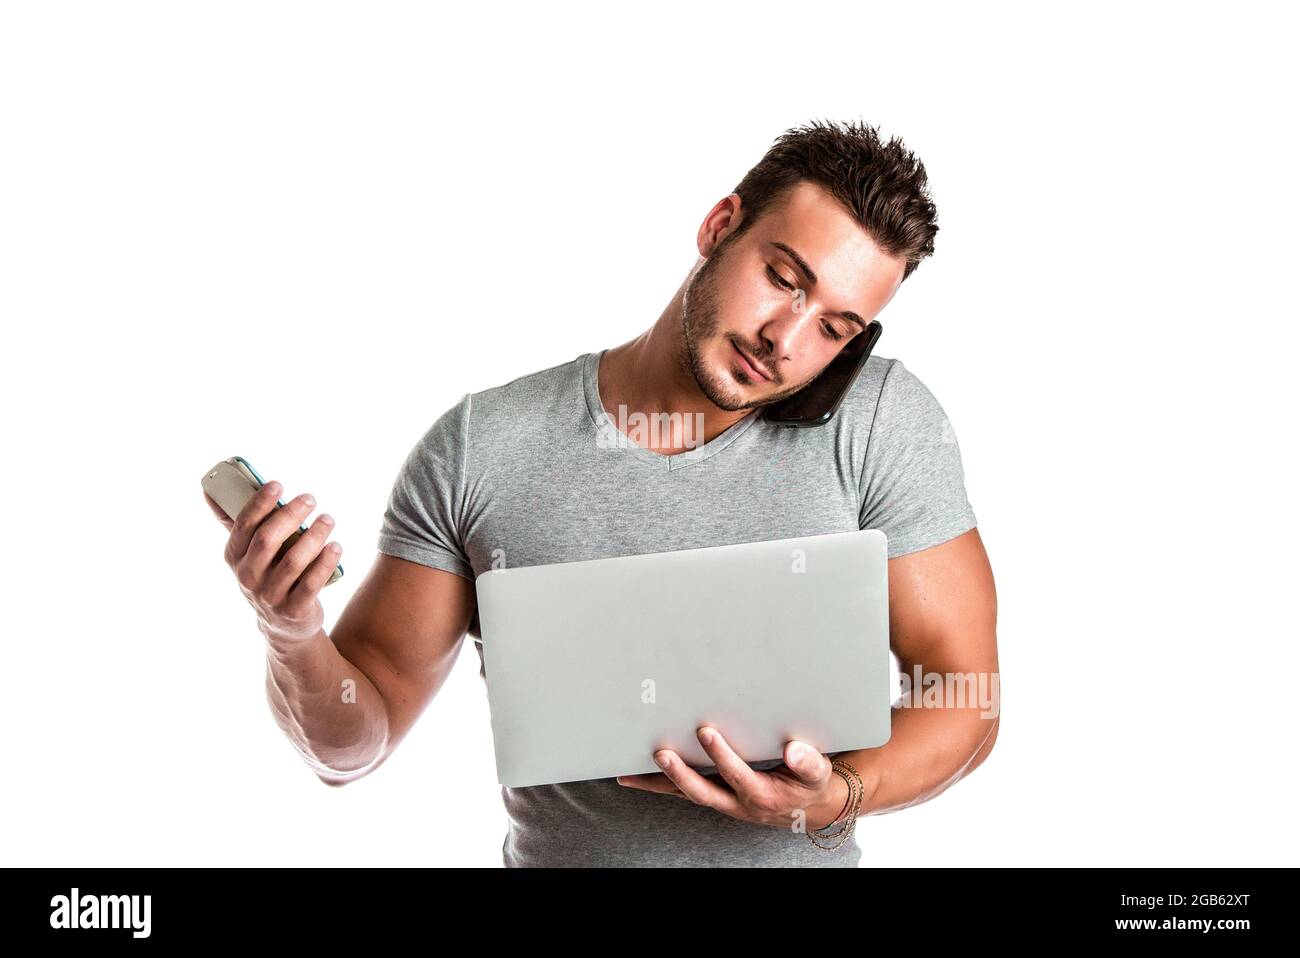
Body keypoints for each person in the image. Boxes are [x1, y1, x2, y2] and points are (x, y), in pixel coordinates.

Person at [204, 119, 1000, 867]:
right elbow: (355, 740)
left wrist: (838, 796)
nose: (784, 340)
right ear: (720, 226)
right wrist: (292, 634)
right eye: (784, 279)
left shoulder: (881, 424)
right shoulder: (484, 447)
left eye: (835, 328)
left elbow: (964, 696)